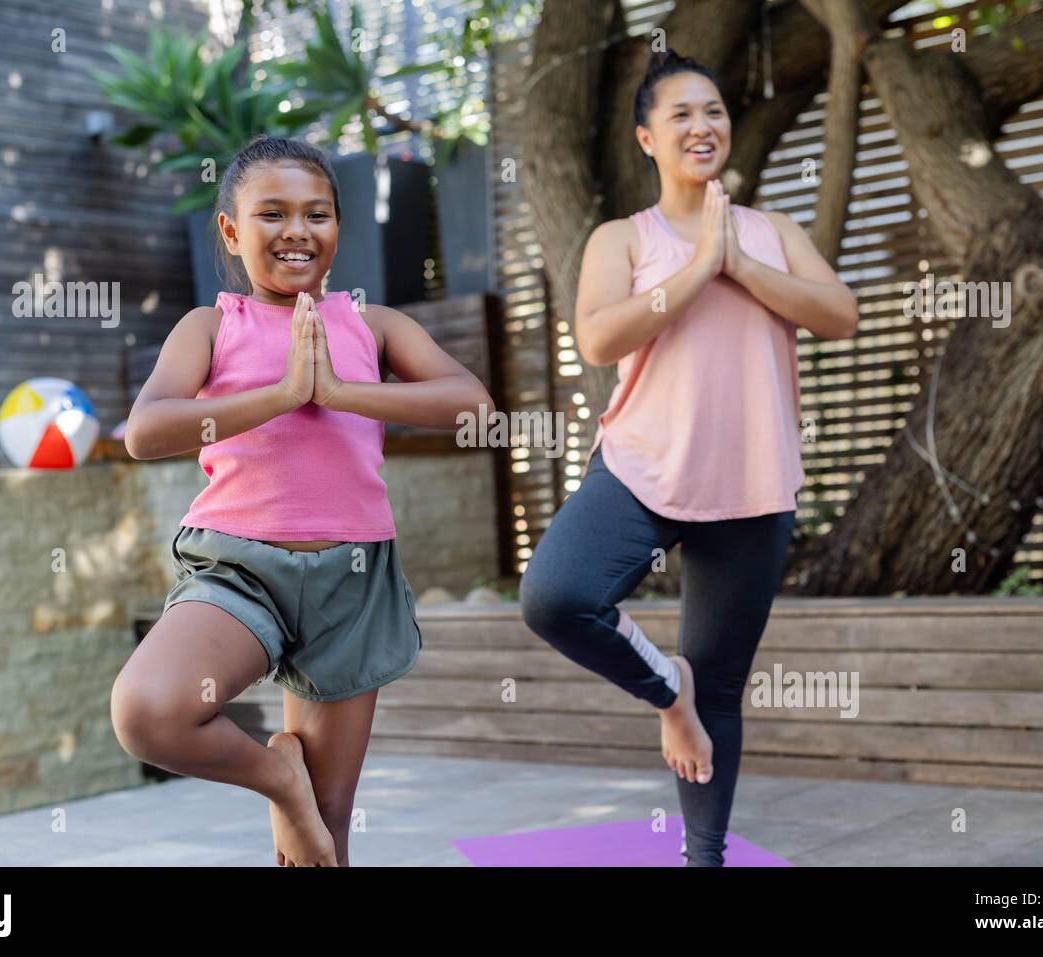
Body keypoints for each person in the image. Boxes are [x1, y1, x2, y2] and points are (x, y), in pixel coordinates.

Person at [111, 135, 493, 866]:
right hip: (240, 571)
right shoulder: (212, 326)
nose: (296, 231)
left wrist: (342, 392)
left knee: (327, 832)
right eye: (272, 213)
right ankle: (280, 779)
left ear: (338, 228)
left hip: (351, 582)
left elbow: (472, 401)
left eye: (316, 213)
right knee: (150, 711)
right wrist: (283, 394)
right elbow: (146, 429)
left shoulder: (372, 324)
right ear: (230, 229)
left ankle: (304, 801)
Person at [519, 49, 858, 866]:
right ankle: (668, 690)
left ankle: (703, 856)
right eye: (681, 115)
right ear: (646, 138)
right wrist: (699, 267)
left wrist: (737, 259)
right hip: (641, 468)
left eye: (713, 111)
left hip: (752, 480)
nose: (702, 126)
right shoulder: (619, 238)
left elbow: (838, 313)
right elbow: (598, 335)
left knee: (724, 684)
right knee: (556, 596)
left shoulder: (770, 232)